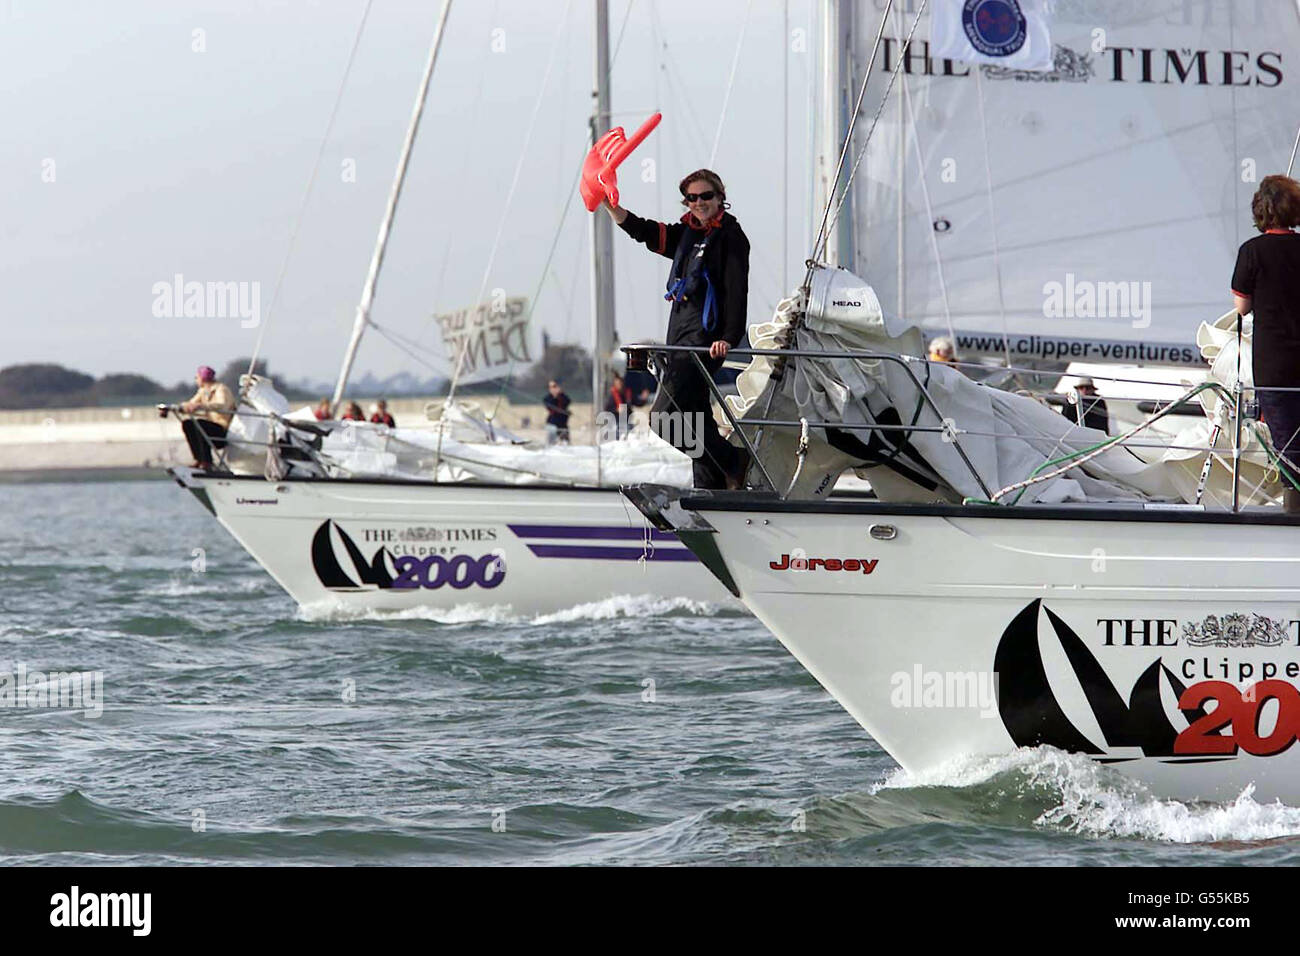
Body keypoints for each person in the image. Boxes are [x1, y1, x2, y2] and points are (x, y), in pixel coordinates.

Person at [601, 168, 750, 489]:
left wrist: (728, 337)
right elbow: (647, 232)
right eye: (692, 198)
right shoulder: (688, 234)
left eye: (706, 196)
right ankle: (713, 486)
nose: (699, 203)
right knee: (696, 419)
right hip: (679, 338)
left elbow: (738, 291)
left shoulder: (731, 236)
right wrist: (613, 207)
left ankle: (733, 461)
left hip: (705, 341)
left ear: (720, 197)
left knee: (664, 418)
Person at [1232, 173, 1300, 512]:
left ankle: (1294, 507)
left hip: (1273, 361)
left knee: (1286, 436)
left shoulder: (1251, 252)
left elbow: (1242, 306)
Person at [177, 365, 235, 470]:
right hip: (210, 429)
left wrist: (202, 406)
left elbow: (223, 405)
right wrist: (177, 408)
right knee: (187, 424)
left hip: (224, 431)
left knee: (199, 424)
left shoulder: (221, 389)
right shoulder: (203, 391)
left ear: (202, 378)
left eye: (197, 377)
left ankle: (207, 462)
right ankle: (199, 459)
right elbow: (191, 403)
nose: (196, 380)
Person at [604, 373, 636, 438]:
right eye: (618, 384)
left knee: (631, 430)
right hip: (616, 421)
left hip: (626, 420)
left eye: (621, 383)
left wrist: (644, 399)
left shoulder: (627, 394)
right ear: (615, 384)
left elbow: (636, 401)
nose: (620, 385)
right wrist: (616, 410)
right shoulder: (612, 396)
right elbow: (607, 409)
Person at [543, 379, 571, 445]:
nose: (552, 389)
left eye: (554, 386)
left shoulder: (564, 397)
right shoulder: (547, 398)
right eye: (550, 387)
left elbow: (566, 403)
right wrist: (555, 397)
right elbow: (551, 407)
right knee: (551, 443)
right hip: (552, 423)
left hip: (563, 424)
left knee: (565, 443)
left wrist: (559, 395)